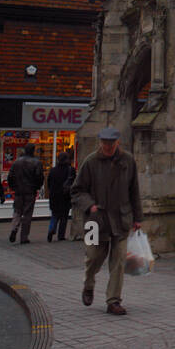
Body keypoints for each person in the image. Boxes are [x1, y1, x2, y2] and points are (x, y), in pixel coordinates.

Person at [72, 126, 142, 316]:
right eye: (105, 144)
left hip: (121, 219)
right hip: (95, 221)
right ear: (100, 143)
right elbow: (77, 191)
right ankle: (88, 284)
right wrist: (90, 205)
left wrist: (138, 217)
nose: (108, 147)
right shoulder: (90, 162)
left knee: (118, 262)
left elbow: (134, 190)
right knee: (93, 257)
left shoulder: (127, 161)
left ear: (117, 143)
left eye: (111, 144)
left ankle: (113, 300)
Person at [6, 144, 44, 244]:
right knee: (27, 214)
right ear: (33, 151)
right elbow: (39, 177)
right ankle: (24, 237)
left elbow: (10, 176)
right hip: (30, 191)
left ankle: (14, 228)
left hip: (18, 191)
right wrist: (37, 187)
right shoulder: (37, 162)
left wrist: (13, 187)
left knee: (17, 211)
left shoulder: (17, 162)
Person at [46, 150, 76, 242]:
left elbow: (49, 183)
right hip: (65, 195)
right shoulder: (71, 170)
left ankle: (51, 228)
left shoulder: (53, 170)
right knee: (64, 216)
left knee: (55, 214)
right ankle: (61, 235)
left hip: (54, 195)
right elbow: (74, 183)